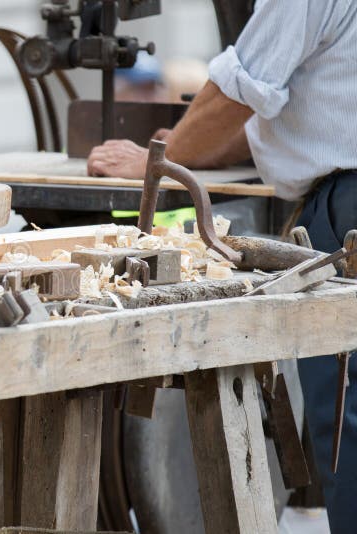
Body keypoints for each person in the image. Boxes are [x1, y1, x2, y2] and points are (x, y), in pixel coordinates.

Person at [87, 1, 357, 531]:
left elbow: (239, 92)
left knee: (349, 424)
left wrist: (157, 160)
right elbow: (284, 110)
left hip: (348, 209)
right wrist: (193, 148)